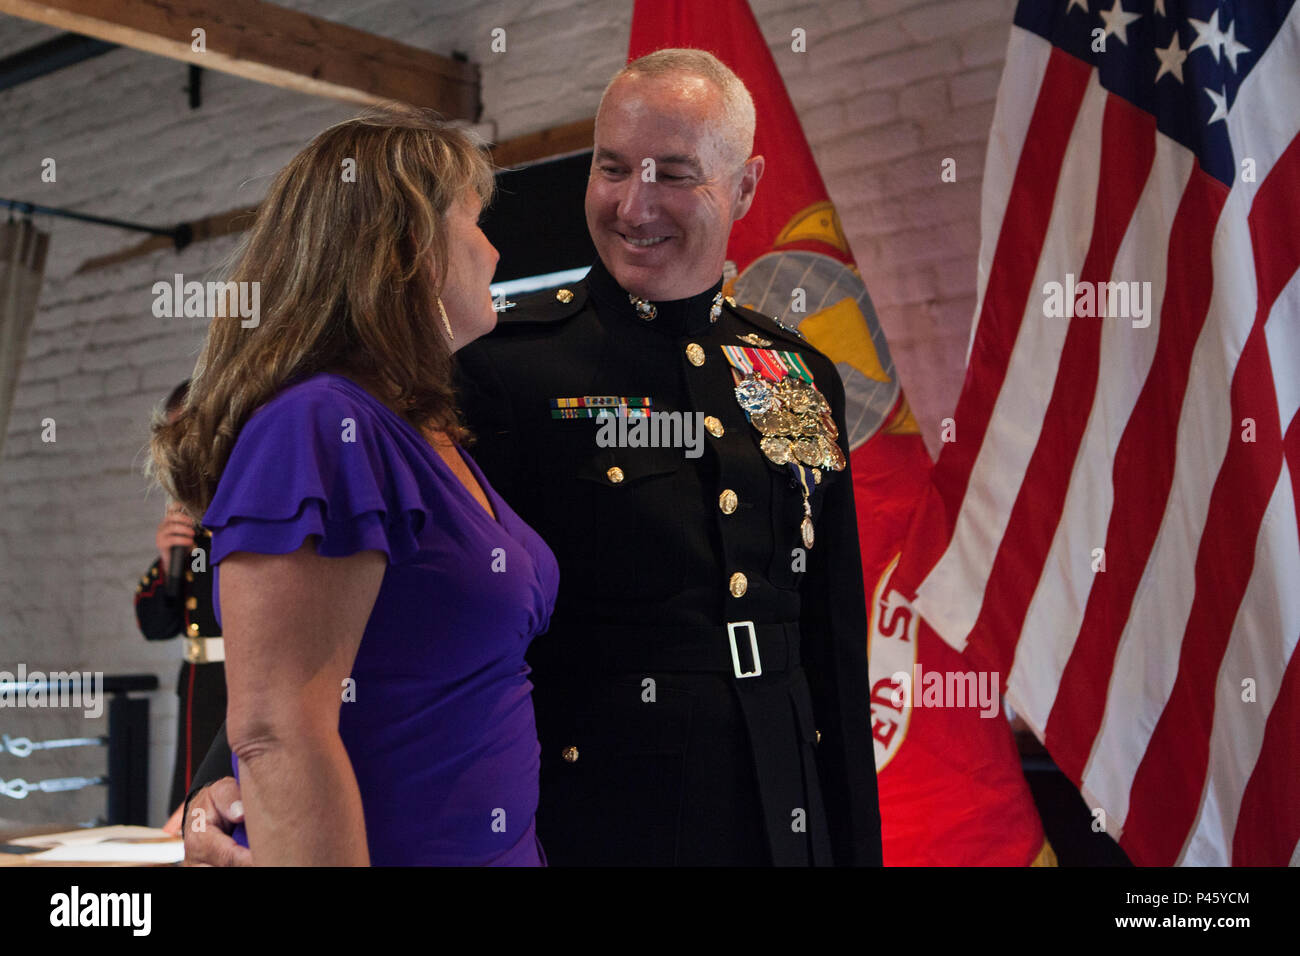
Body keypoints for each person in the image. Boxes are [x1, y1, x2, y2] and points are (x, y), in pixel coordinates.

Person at [184, 48, 881, 866]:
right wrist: (224, 784)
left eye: (673, 175)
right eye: (612, 168)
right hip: (596, 819)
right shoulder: (501, 364)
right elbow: (346, 611)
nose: (633, 203)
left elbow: (832, 643)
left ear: (746, 188)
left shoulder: (798, 374)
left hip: (780, 808)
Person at [149, 106, 558, 865]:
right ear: (413, 246)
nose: (496, 251)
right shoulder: (319, 424)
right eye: (476, 222)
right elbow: (278, 730)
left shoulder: (423, 431)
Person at [134, 380, 227, 820]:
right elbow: (156, 624)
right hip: (197, 681)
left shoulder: (231, 515)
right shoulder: (187, 527)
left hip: (239, 678)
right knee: (186, 802)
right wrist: (169, 556)